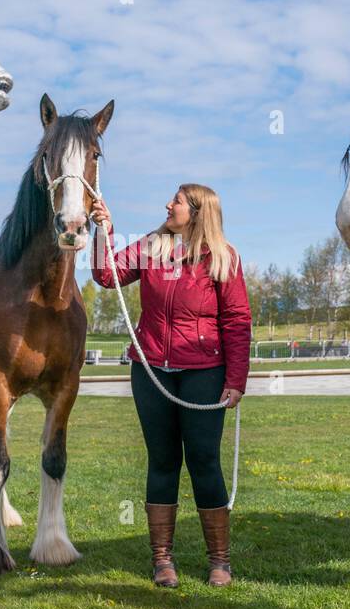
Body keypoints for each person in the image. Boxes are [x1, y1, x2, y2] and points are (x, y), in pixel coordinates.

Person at [91, 184, 251, 587]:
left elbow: (237, 321)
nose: (167, 205)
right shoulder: (150, 248)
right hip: (151, 372)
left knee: (203, 460)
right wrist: (104, 231)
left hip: (204, 373)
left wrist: (236, 379)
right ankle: (162, 560)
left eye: (176, 201)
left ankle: (220, 561)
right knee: (162, 461)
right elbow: (105, 275)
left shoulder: (223, 258)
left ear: (196, 212)